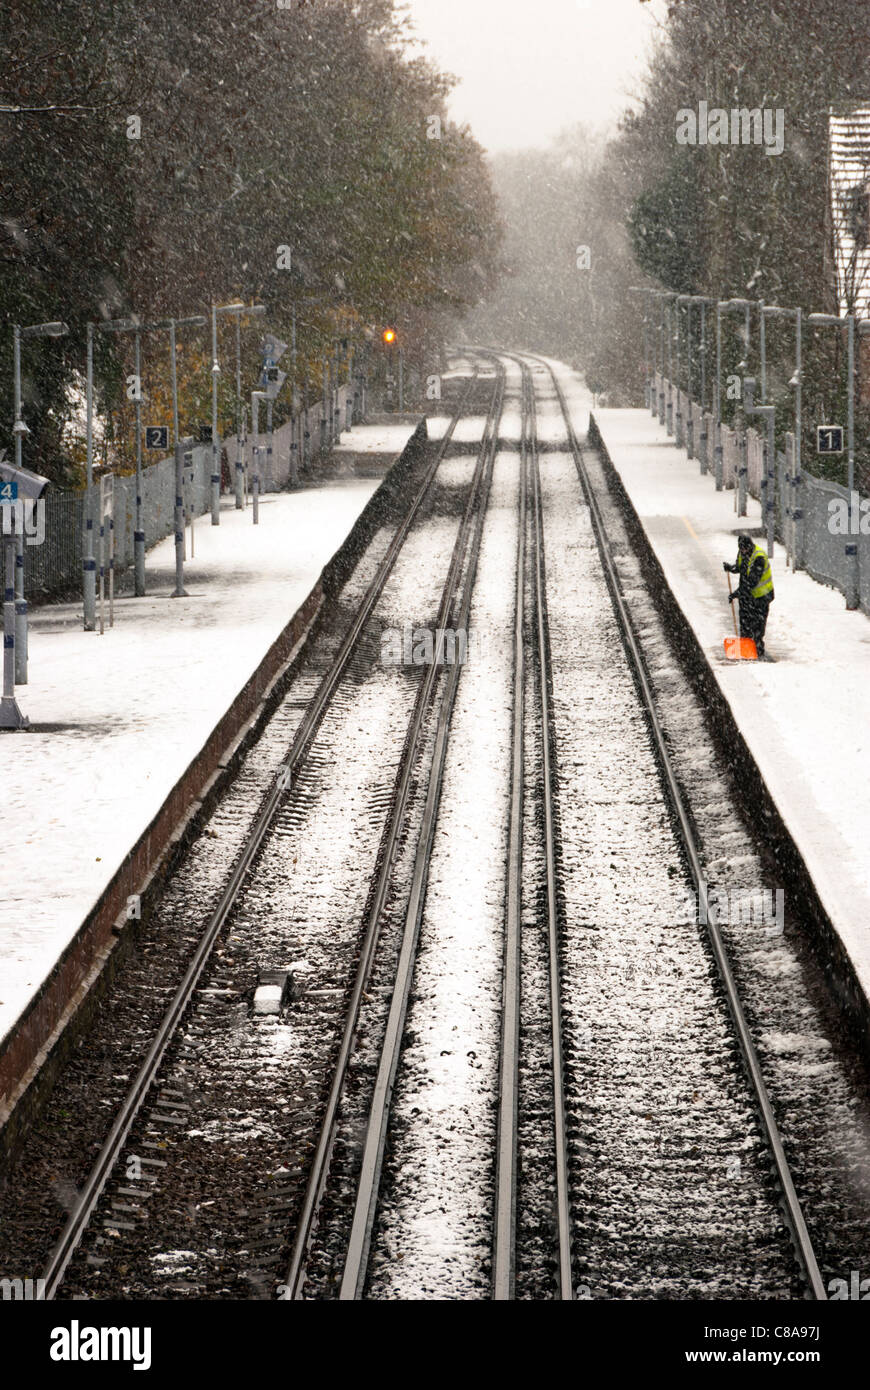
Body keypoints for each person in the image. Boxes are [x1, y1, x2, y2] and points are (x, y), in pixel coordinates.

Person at [723, 534, 774, 658]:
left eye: (745, 549)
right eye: (741, 549)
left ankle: (758, 653)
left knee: (758, 627)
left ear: (750, 546)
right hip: (747, 597)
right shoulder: (742, 552)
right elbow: (741, 567)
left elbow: (752, 581)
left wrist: (736, 593)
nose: (743, 552)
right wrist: (731, 568)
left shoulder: (759, 557)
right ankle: (746, 652)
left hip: (761, 597)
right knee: (745, 624)